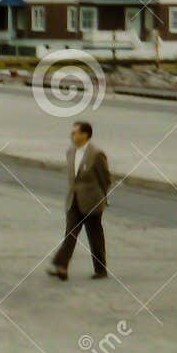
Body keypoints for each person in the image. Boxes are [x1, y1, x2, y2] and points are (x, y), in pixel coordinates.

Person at [48, 120, 111, 281]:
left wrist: (103, 198)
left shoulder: (96, 154)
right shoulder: (70, 151)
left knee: (95, 236)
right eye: (72, 132)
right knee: (70, 233)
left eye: (75, 132)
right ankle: (62, 267)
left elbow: (105, 179)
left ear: (85, 135)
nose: (72, 135)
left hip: (92, 201)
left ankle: (100, 270)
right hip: (74, 200)